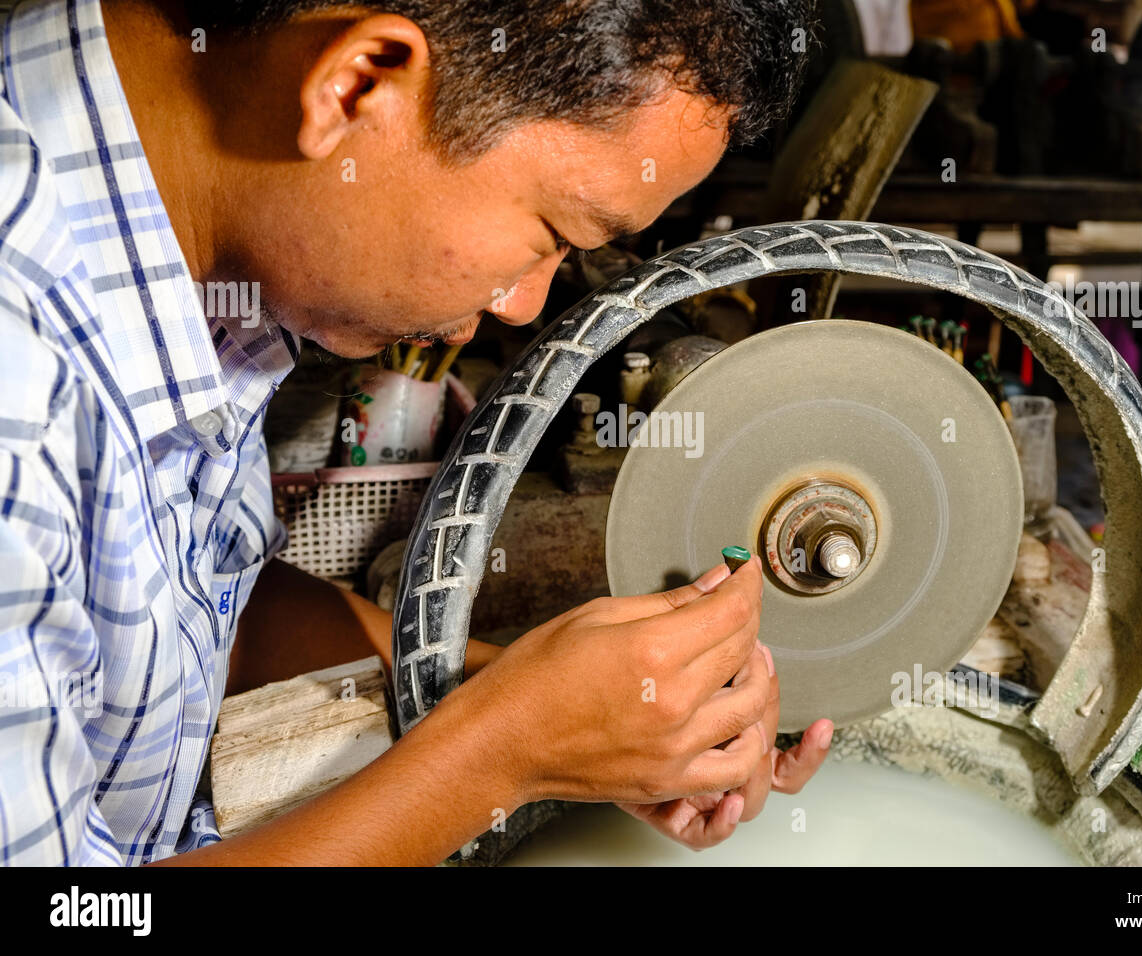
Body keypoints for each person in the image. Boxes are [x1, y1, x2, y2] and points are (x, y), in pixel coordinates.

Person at [0, 0, 832, 865]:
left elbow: (208, 610)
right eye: (554, 234)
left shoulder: (203, 261)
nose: (526, 303)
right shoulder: (18, 373)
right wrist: (500, 754)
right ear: (359, 83)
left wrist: (590, 716)